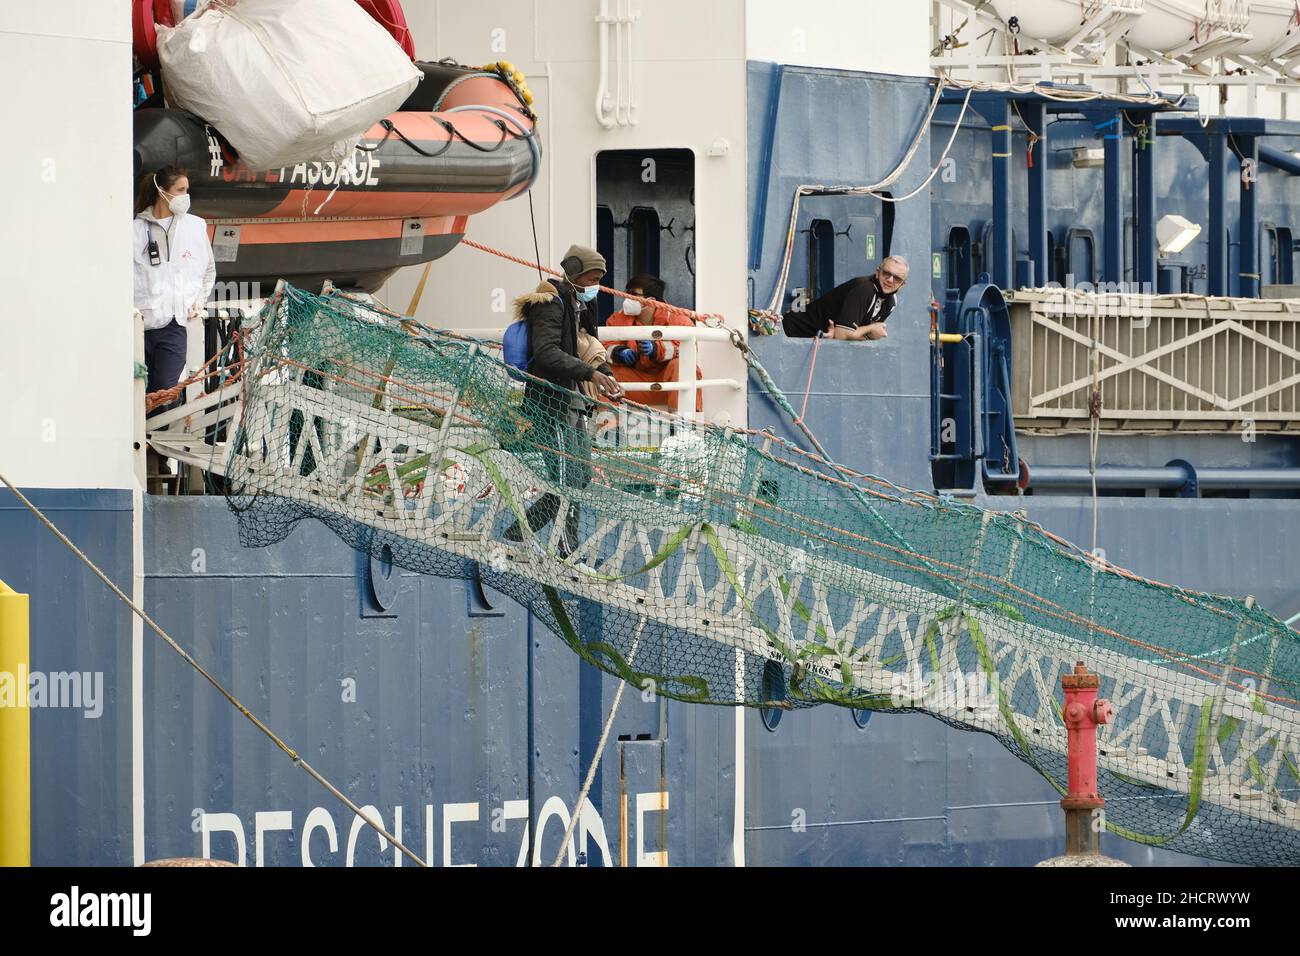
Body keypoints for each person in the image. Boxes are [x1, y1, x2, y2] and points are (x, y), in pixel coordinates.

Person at [504, 245, 623, 555]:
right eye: (591, 277)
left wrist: (606, 374)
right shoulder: (550, 304)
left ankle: (521, 531)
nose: (594, 284)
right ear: (574, 274)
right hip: (549, 404)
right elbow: (545, 353)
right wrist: (588, 374)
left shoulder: (585, 304)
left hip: (575, 402)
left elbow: (588, 345)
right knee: (563, 481)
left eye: (599, 278)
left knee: (580, 478)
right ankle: (566, 551)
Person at [132, 166, 216, 408]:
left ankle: (155, 440)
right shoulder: (134, 231)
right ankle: (139, 443)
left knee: (165, 391)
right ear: (162, 191)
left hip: (174, 324)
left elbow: (208, 270)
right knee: (137, 390)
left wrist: (199, 301)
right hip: (139, 325)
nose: (185, 196)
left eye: (187, 190)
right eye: (180, 190)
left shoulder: (195, 226)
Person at [605, 274, 703, 414]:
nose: (627, 298)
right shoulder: (617, 319)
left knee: (681, 365)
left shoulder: (679, 319)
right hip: (636, 386)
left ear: (650, 301)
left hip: (668, 387)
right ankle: (608, 426)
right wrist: (618, 353)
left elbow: (688, 351)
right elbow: (605, 347)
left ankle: (681, 426)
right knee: (606, 371)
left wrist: (657, 349)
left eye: (633, 294)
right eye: (627, 292)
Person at [781, 255, 909, 340]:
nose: (890, 280)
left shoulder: (891, 302)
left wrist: (852, 333)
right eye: (886, 273)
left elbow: (862, 335)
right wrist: (870, 329)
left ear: (903, 284)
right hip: (793, 333)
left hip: (816, 340)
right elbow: (843, 333)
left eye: (897, 278)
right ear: (877, 272)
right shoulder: (865, 289)